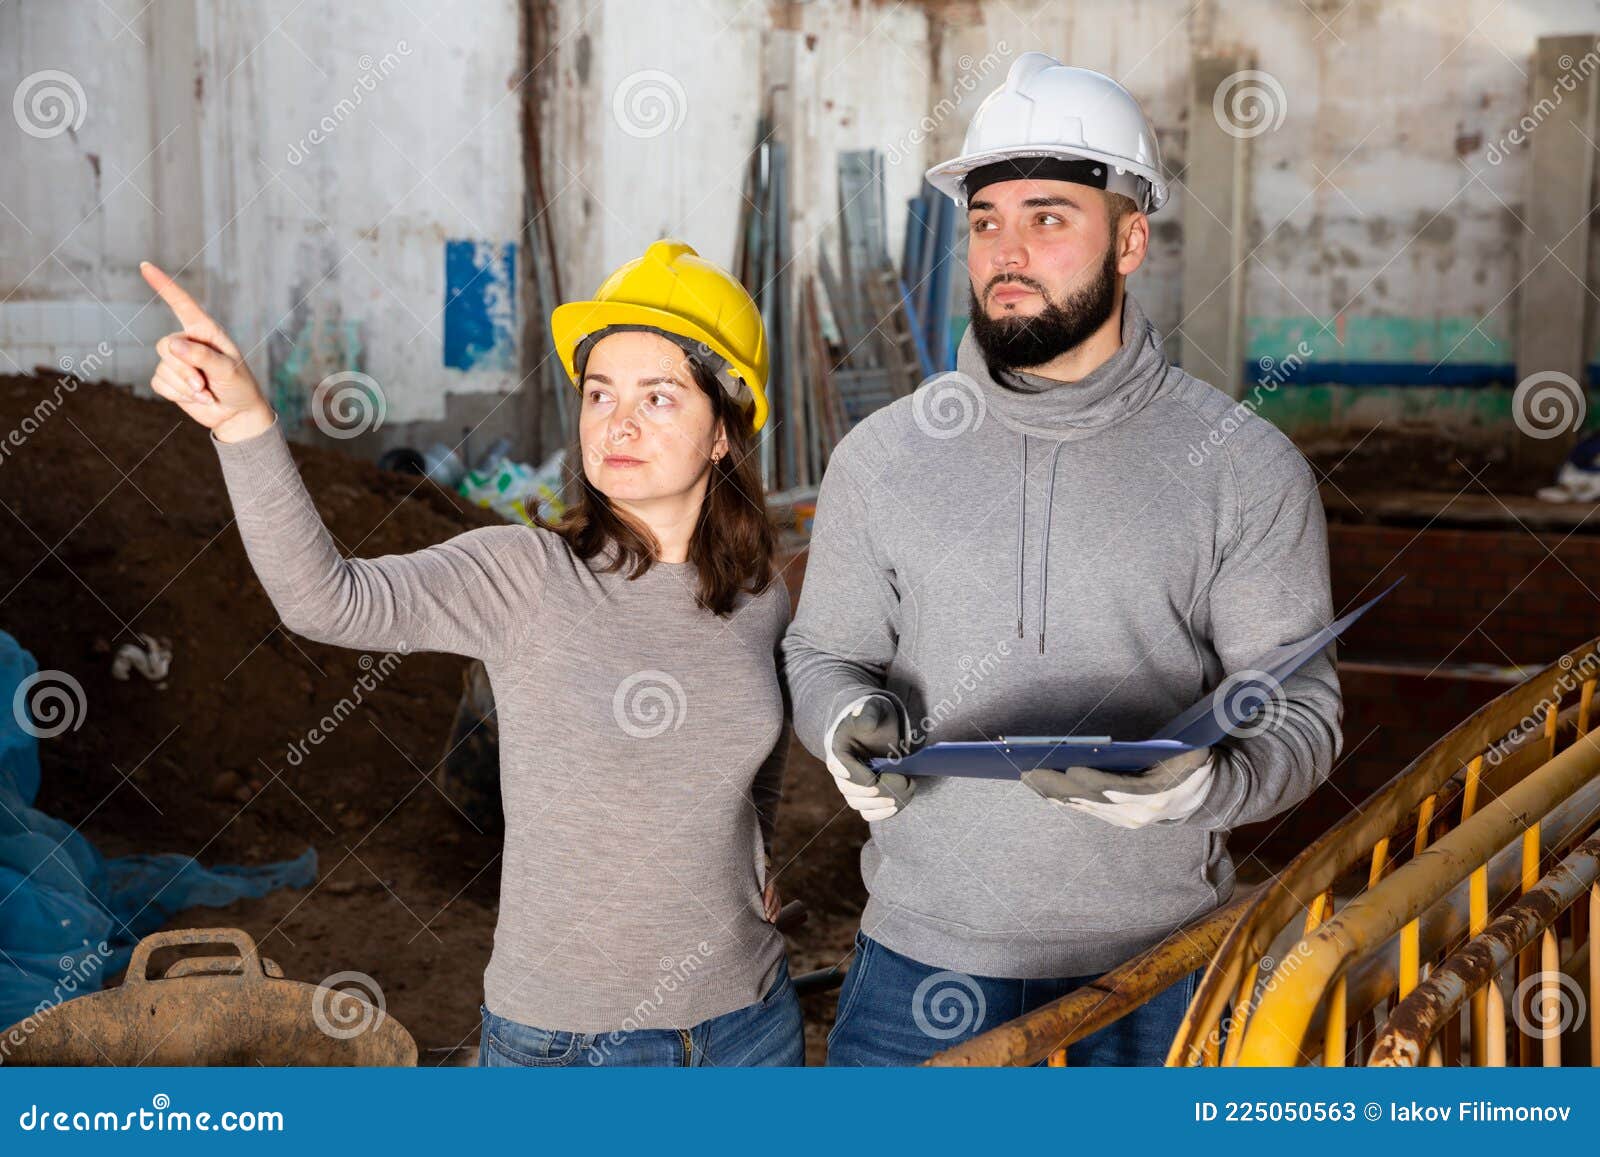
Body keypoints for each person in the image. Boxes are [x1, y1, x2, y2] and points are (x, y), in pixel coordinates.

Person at [784, 52, 1342, 1066]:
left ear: (1129, 239)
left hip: (1160, 975)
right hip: (917, 972)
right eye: (985, 220)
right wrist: (842, 718)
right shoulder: (882, 456)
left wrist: (1203, 788)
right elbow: (823, 651)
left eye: (1047, 218)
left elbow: (1299, 713)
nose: (1007, 251)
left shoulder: (1242, 465)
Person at [139, 239, 805, 1067]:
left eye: (659, 397)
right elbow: (326, 599)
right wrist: (244, 424)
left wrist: (759, 853)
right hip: (574, 1044)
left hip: (752, 1022)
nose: (618, 423)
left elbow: (758, 749)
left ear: (723, 431)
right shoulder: (526, 574)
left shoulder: (755, 594)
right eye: (600, 393)